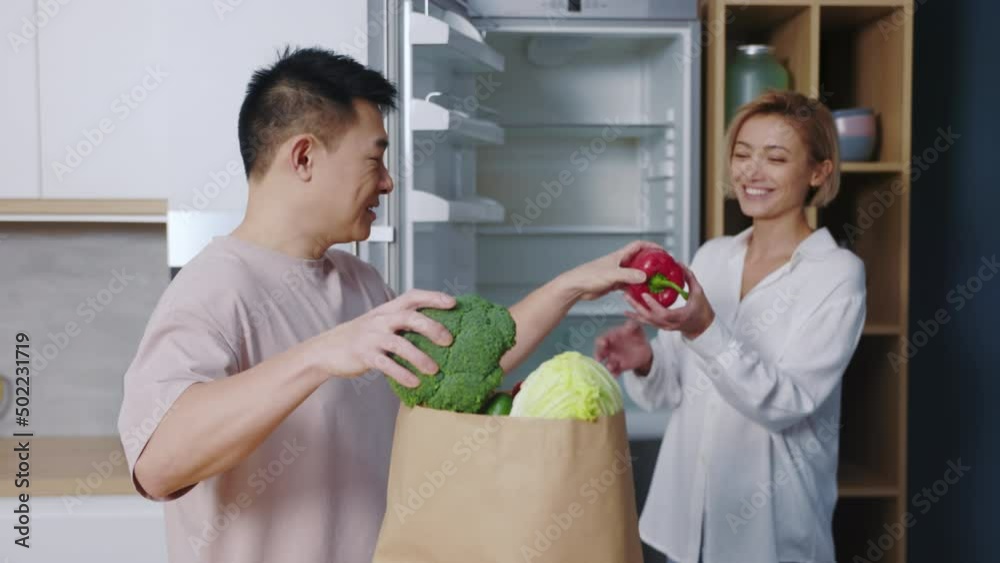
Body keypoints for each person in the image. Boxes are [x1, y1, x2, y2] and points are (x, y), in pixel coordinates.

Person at [116, 47, 654, 563]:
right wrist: (322, 354)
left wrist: (569, 287)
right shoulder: (211, 289)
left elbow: (458, 369)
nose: (389, 181)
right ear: (303, 157)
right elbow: (158, 463)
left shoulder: (361, 282)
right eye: (374, 159)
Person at [596, 91, 867, 563]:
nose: (751, 172)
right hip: (686, 524)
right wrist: (646, 362)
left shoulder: (836, 274)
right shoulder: (712, 255)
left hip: (771, 534)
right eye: (742, 155)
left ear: (819, 172)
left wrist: (703, 328)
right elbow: (673, 390)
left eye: (775, 158)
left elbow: (786, 405)